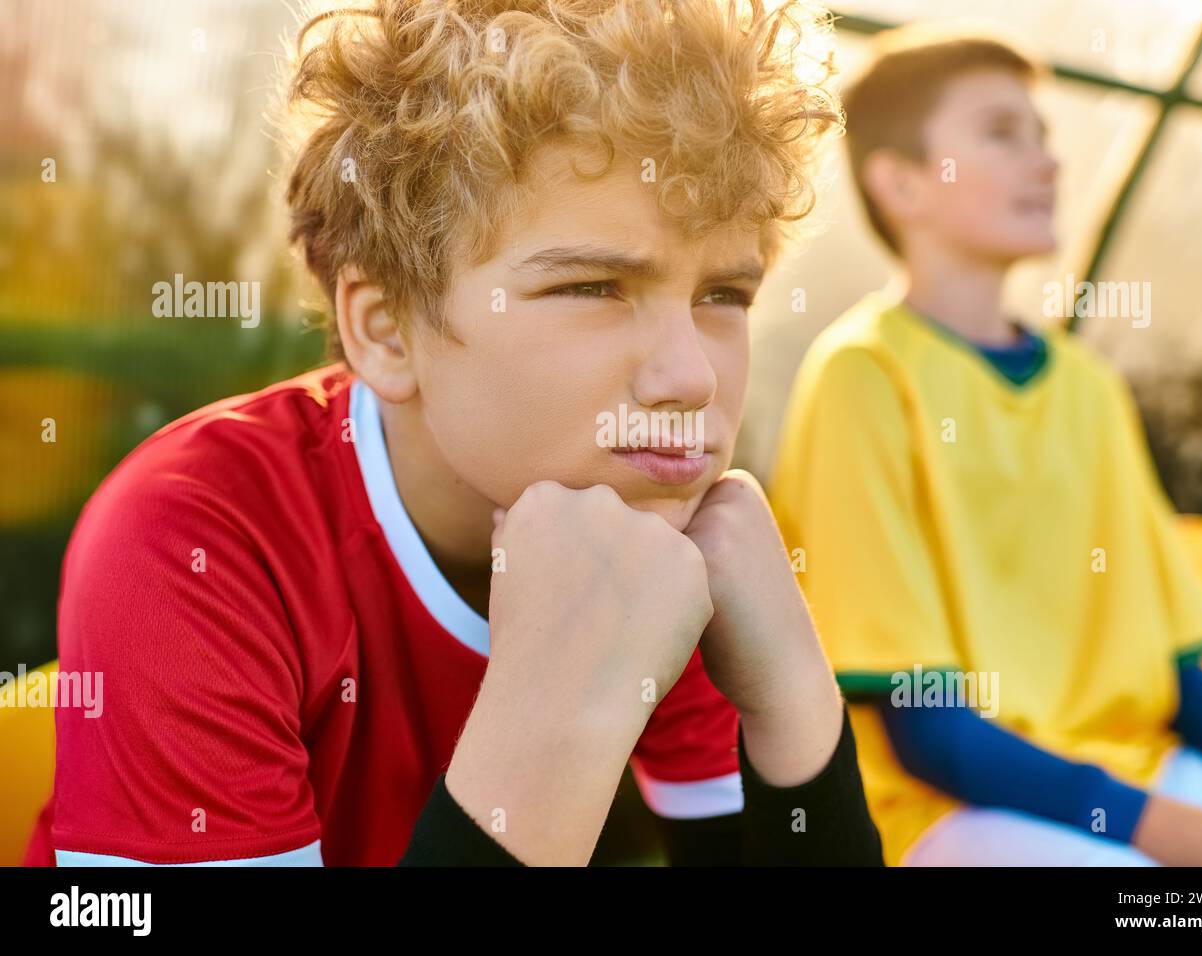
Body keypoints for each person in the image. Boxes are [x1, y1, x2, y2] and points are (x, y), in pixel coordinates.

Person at [25, 0, 881, 867]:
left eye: (724, 295)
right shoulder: (195, 536)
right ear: (388, 330)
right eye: (594, 287)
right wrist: (548, 713)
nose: (692, 374)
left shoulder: (650, 524)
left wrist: (796, 707)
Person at [769, 25, 1202, 866]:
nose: (1047, 162)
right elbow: (932, 735)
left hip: (1147, 779)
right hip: (955, 815)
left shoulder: (1088, 387)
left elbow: (1183, 683)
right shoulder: (862, 375)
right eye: (1001, 133)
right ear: (903, 183)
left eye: (1044, 135)